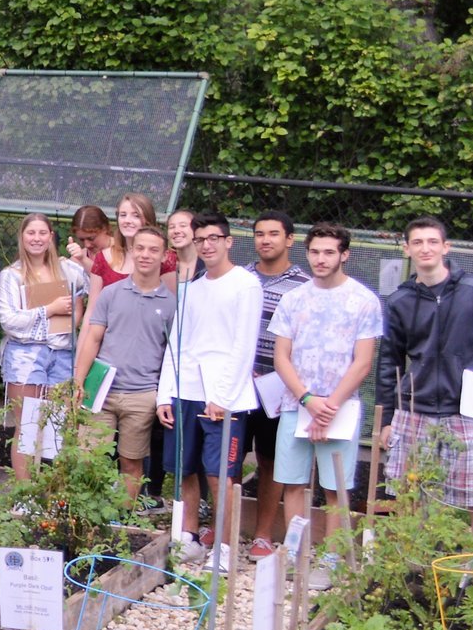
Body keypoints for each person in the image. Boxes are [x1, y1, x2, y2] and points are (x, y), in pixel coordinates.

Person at [376, 215, 473, 517]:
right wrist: (386, 420)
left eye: (433, 241)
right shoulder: (399, 301)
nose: (426, 248)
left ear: (446, 247)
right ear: (407, 249)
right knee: (409, 495)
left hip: (464, 409)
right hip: (413, 409)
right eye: (417, 242)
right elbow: (389, 361)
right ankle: (414, 564)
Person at [270, 222, 383, 558]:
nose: (320, 259)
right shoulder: (293, 299)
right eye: (315, 252)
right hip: (295, 403)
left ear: (344, 255)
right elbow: (281, 356)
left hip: (341, 408)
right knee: (292, 483)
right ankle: (295, 554)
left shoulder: (364, 301)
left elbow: (362, 363)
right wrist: (307, 400)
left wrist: (328, 406)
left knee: (336, 488)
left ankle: (332, 559)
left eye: (329, 252)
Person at [158, 212, 263, 549]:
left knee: (221, 475)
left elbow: (243, 346)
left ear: (228, 241)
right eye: (200, 239)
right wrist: (165, 395)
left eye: (213, 239)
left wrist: (221, 397)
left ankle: (225, 546)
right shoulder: (192, 289)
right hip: (184, 394)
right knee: (185, 468)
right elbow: (177, 343)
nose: (206, 245)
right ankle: (188, 535)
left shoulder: (246, 284)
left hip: (223, 401)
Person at [73, 225, 178, 496]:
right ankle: (86, 518)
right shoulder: (111, 293)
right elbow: (93, 339)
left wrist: (162, 395)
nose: (145, 255)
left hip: (142, 394)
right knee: (90, 457)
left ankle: (122, 521)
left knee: (131, 461)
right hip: (102, 389)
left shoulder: (171, 303)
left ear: (165, 256)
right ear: (132, 251)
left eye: (153, 250)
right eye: (140, 248)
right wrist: (78, 381)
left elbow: (172, 355)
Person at [0, 213, 90, 479]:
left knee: (57, 427)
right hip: (25, 355)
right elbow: (10, 321)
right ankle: (25, 495)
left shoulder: (70, 271)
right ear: (22, 237)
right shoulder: (11, 275)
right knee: (27, 427)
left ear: (51, 236)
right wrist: (48, 310)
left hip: (62, 353)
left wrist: (84, 260)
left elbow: (99, 288)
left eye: (42, 233)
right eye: (31, 233)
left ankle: (52, 495)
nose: (36, 239)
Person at [244, 211, 312, 551]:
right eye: (259, 234)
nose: (265, 240)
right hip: (238, 386)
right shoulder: (239, 278)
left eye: (273, 234)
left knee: (270, 460)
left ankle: (263, 534)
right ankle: (218, 528)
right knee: (226, 458)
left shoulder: (305, 286)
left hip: (278, 388)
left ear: (289, 239)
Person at [67, 204, 120, 292]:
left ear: (105, 229)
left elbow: (110, 282)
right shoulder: (77, 258)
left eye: (91, 238)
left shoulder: (123, 251)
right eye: (81, 239)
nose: (87, 245)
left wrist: (83, 259)